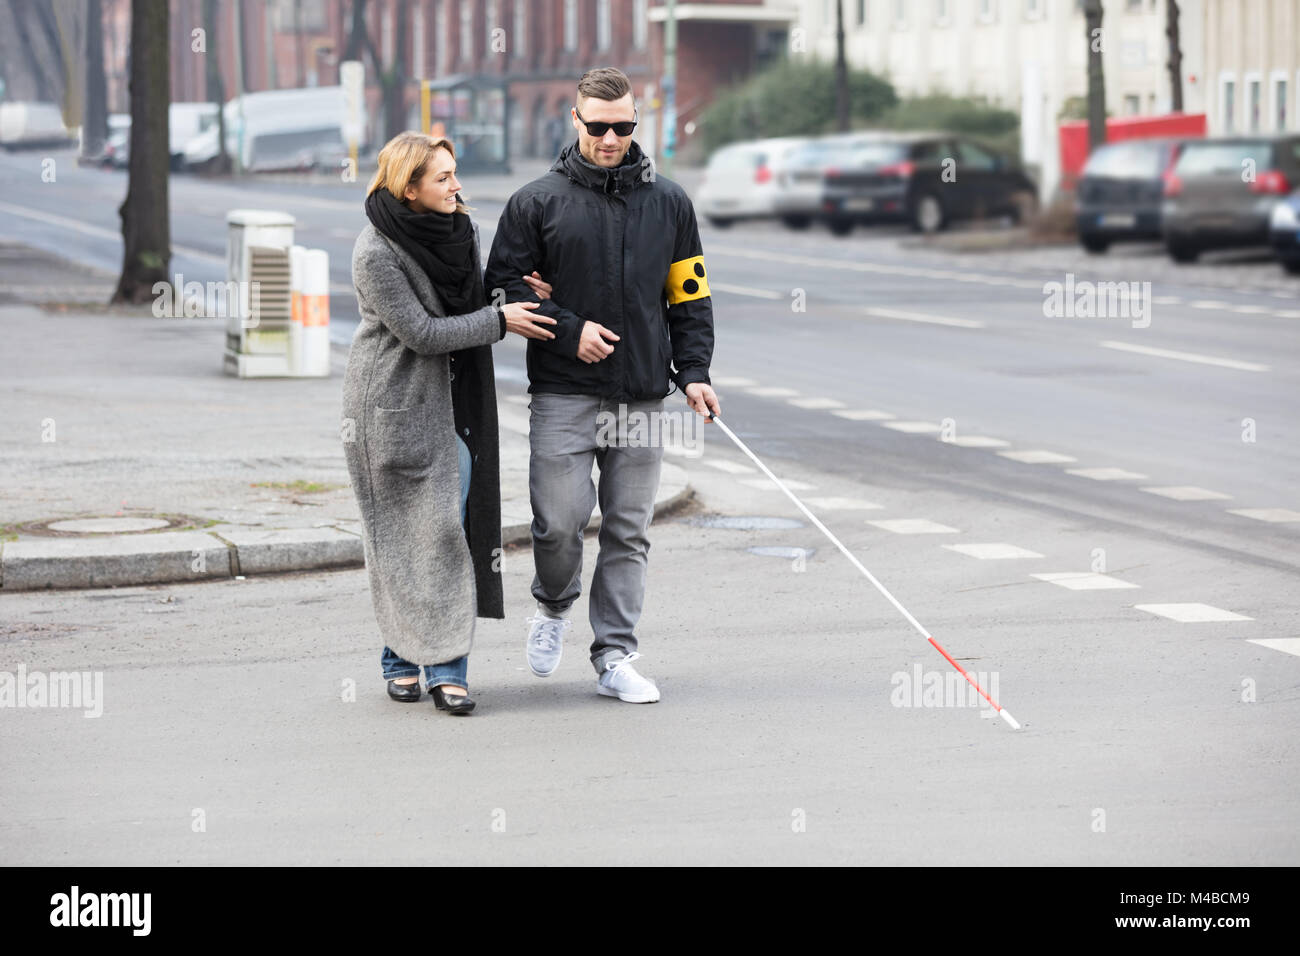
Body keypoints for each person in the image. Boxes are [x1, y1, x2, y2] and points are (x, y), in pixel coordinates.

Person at [484, 67, 720, 704]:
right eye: (598, 127)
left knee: (628, 529)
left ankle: (615, 654)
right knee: (559, 524)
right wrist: (568, 331)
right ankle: (554, 603)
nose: (611, 139)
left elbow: (689, 298)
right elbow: (501, 290)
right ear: (576, 122)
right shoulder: (537, 202)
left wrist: (694, 374)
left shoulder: (670, 203)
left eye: (623, 127)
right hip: (564, 391)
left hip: (642, 393)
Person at [342, 131, 558, 715]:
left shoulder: (463, 231)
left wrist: (509, 293)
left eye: (454, 174)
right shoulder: (375, 251)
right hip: (395, 408)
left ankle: (428, 662)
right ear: (408, 188)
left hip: (459, 404)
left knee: (446, 532)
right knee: (408, 536)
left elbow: (465, 301)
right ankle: (420, 663)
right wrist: (499, 320)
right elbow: (425, 333)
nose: (456, 186)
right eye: (443, 178)